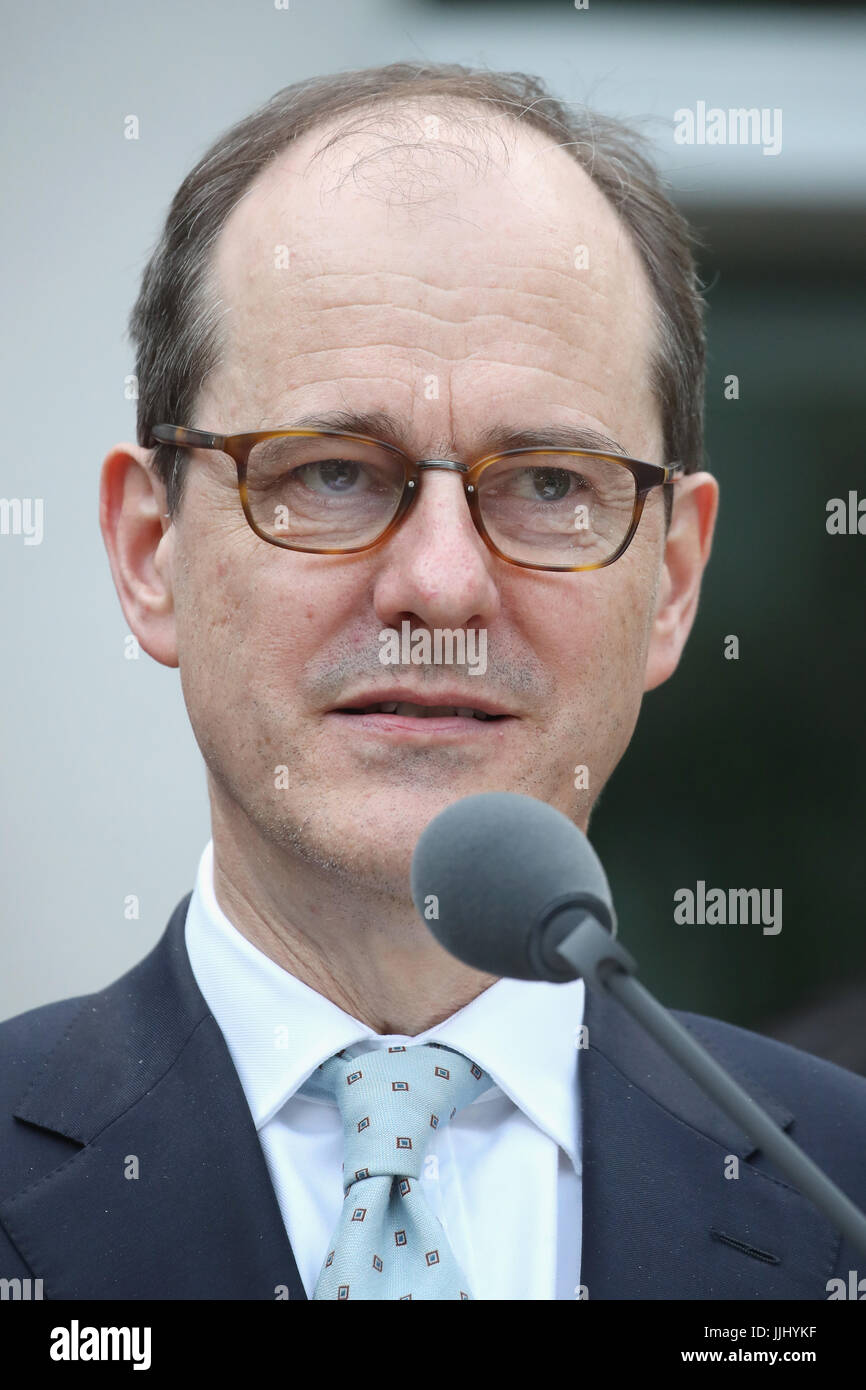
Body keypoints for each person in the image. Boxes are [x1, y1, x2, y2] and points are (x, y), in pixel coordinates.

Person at [1, 61, 864, 1302]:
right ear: (151, 554)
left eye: (552, 483)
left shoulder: (835, 1198)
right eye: (333, 472)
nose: (443, 584)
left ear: (671, 581)